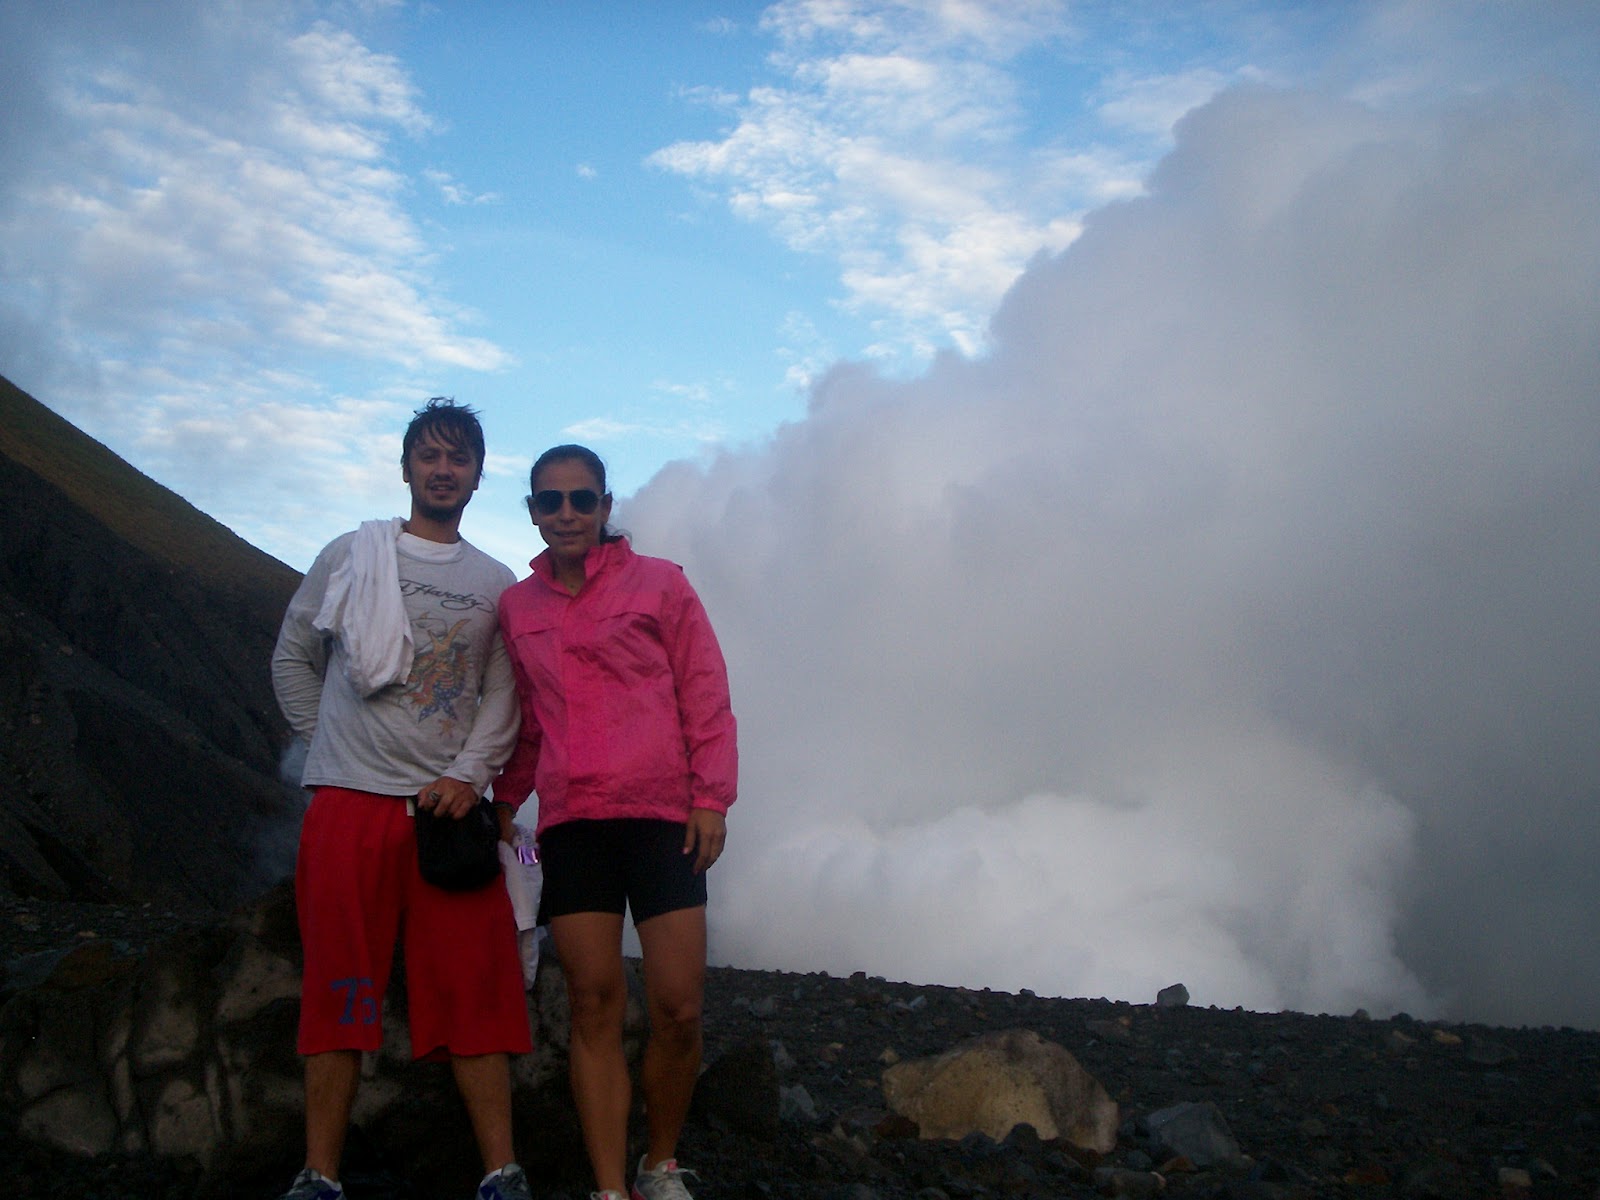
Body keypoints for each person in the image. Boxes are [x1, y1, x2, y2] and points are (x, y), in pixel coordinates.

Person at [271, 397, 534, 1200]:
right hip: (348, 805)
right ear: (407, 467)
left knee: (475, 987)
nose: (443, 470)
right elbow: (292, 657)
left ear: (478, 476)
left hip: (446, 814)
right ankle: (320, 1174)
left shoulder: (494, 583)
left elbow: (504, 696)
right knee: (339, 985)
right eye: (430, 455)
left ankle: (502, 1172)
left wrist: (469, 775)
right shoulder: (352, 554)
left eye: (459, 458)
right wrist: (331, 745)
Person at [494, 445, 737, 1200]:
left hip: (664, 818)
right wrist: (503, 800)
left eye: (581, 498)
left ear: (605, 505)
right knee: (594, 1003)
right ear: (532, 511)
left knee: (679, 1006)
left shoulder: (661, 584)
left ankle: (658, 1162)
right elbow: (527, 718)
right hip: (573, 825)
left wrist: (712, 797)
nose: (566, 513)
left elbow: (704, 690)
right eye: (550, 500)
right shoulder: (517, 609)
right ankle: (609, 1188)